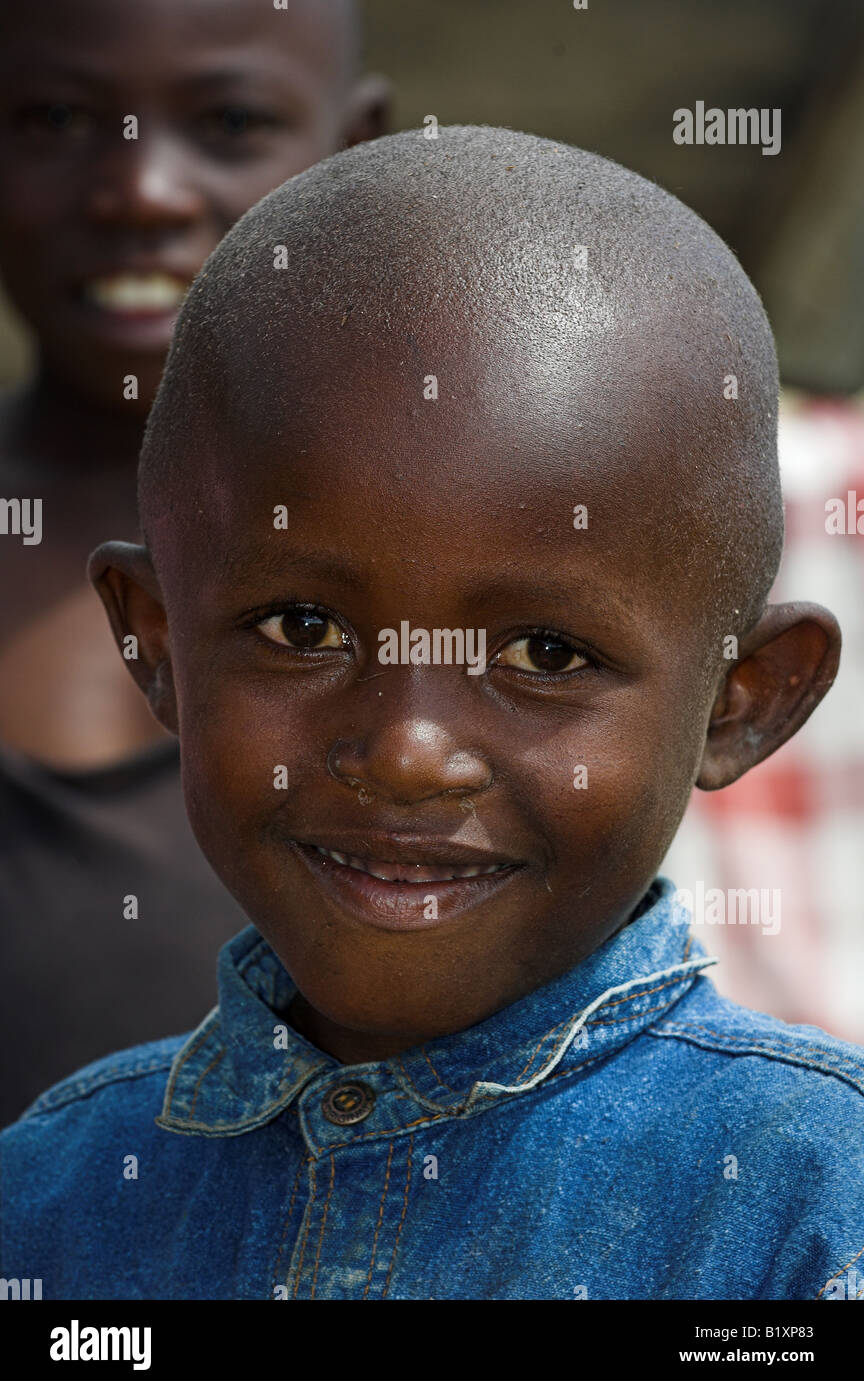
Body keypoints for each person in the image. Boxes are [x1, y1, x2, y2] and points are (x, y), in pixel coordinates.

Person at [2, 128, 861, 1300]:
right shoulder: (51, 1204)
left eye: (544, 652)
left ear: (739, 703)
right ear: (156, 642)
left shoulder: (810, 1216)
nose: (407, 752)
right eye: (304, 629)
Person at [0, 0, 388, 1124]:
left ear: (351, 152)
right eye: (57, 117)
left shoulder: (468, 546)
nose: (140, 192)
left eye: (227, 120)